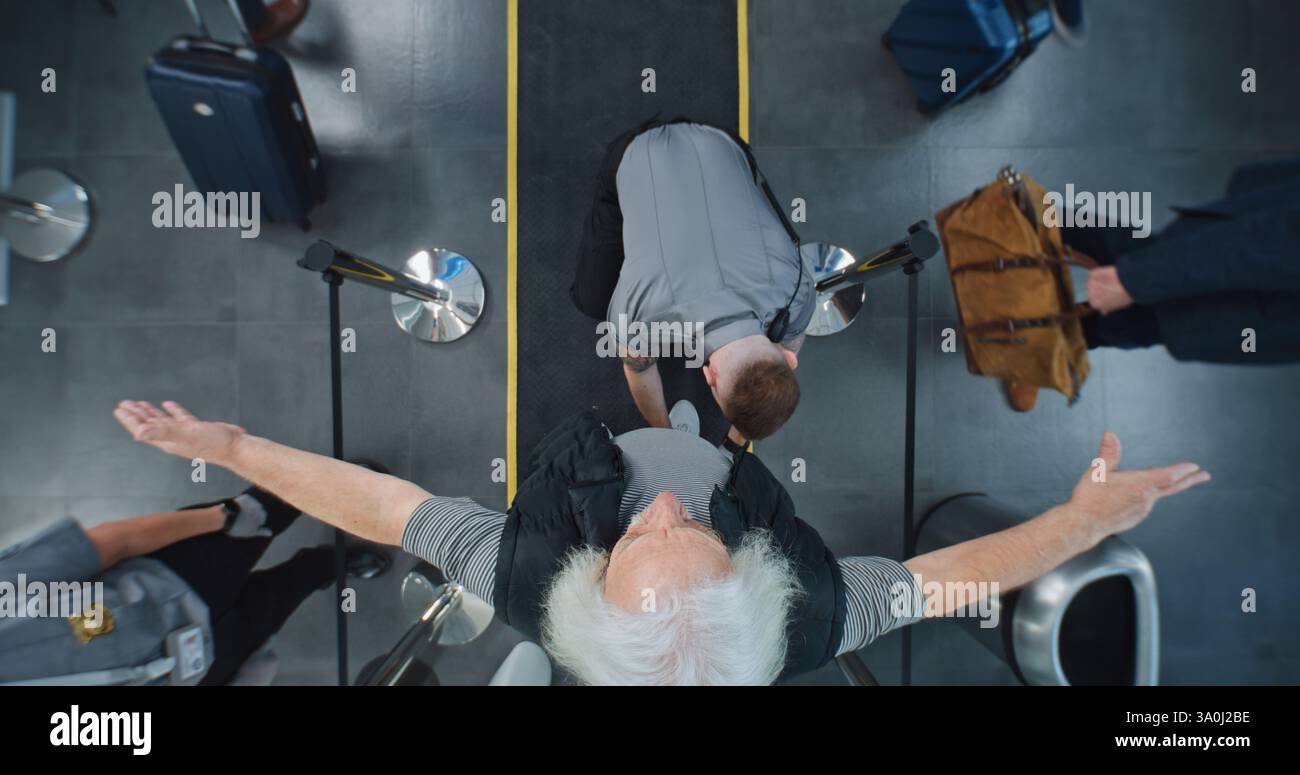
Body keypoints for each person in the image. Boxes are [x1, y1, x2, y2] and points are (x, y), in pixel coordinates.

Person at [111, 399, 1209, 685]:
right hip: (708, 451)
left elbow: (380, 504)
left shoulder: (533, 579)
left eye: (647, 538)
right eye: (687, 538)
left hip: (589, 460)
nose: (668, 512)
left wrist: (236, 445)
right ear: (760, 574)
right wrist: (1083, 521)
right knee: (694, 441)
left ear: (590, 585)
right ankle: (692, 427)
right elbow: (949, 580)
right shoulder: (813, 614)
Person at [0, 471, 388, 685]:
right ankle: (325, 564)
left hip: (175, 579)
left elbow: (106, 543)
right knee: (280, 597)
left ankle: (327, 484)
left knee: (267, 514)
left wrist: (224, 516)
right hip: (198, 666)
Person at [571, 117, 814, 446]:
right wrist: (667, 438)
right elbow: (638, 369)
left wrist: (743, 427)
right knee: (592, 300)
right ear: (709, 376)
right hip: (637, 149)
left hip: (725, 142)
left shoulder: (799, 291)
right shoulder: (638, 316)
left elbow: (790, 339)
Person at [1071, 159, 1300, 364]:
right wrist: (1136, 279)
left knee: (1125, 319)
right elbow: (1266, 243)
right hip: (1235, 292)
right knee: (1123, 267)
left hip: (1246, 313)